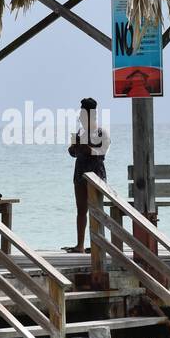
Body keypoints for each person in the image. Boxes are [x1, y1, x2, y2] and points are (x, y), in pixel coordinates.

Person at [64, 98, 110, 254]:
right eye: (81, 117)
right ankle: (80, 245)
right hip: (80, 175)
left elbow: (101, 153)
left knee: (96, 211)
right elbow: (73, 153)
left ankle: (99, 244)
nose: (82, 120)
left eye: (84, 117)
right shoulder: (79, 132)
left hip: (96, 175)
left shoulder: (102, 132)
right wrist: (74, 147)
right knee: (81, 210)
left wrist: (86, 147)